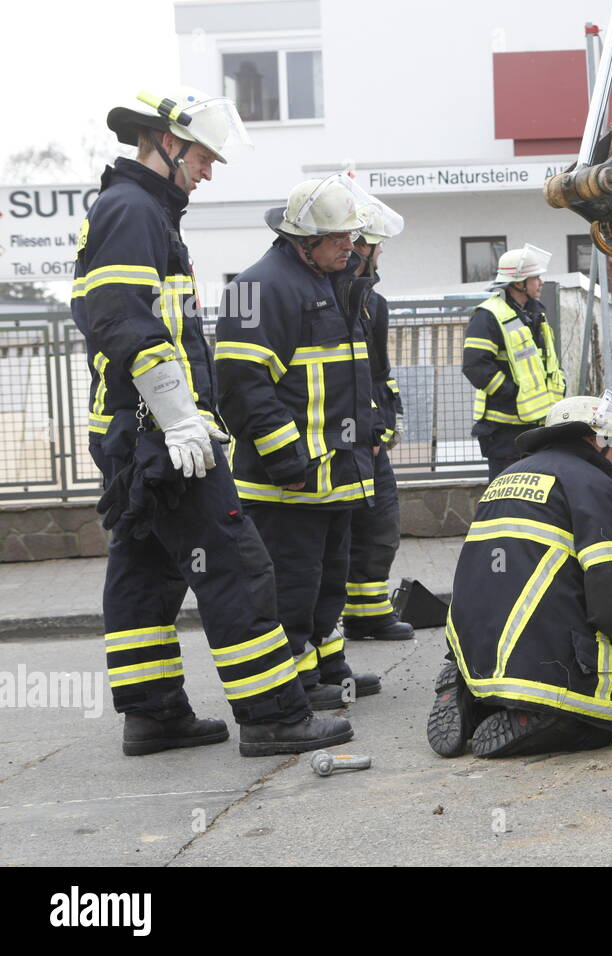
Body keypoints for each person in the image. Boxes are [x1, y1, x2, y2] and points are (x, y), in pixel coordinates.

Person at [73, 88, 351, 757]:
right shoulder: (134, 209)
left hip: (134, 430)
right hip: (160, 433)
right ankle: (273, 715)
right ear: (167, 144)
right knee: (235, 562)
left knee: (145, 567)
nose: (208, 172)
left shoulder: (137, 209)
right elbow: (119, 315)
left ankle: (153, 714)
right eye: (203, 157)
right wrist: (179, 419)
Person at [427, 392, 612, 759]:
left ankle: (469, 693)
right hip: (544, 664)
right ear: (594, 439)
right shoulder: (593, 485)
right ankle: (552, 721)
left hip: (474, 654)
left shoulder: (504, 479)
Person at [215, 173, 383, 711]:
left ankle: (326, 670)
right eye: (338, 238)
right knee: (291, 587)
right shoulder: (256, 288)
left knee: (328, 583)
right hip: (289, 482)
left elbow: (351, 379)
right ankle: (296, 687)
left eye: (352, 236)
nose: (350, 246)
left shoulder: (334, 281)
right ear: (302, 240)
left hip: (334, 475)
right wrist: (287, 461)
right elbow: (242, 387)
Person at [340, 196, 413, 641]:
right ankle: (330, 624)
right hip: (342, 441)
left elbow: (379, 373)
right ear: (359, 248)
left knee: (380, 525)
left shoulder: (374, 304)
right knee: (342, 533)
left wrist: (390, 416)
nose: (382, 251)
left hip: (371, 438)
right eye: (377, 244)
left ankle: (369, 612)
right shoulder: (330, 300)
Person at [461, 244, 566, 479]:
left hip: (536, 426)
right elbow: (475, 366)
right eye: (535, 278)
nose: (540, 282)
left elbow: (544, 363)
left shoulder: (535, 314)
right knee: (507, 493)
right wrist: (512, 393)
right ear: (519, 283)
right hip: (504, 433)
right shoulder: (488, 315)